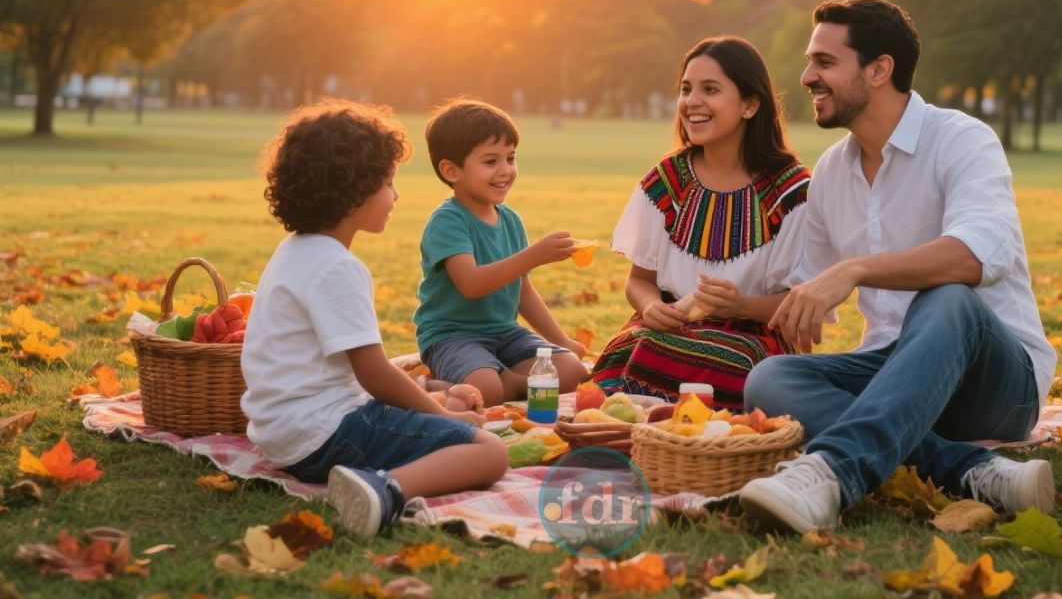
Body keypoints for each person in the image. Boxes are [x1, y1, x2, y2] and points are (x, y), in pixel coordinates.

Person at [739, 0, 1058, 532]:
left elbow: (973, 256)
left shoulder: (962, 140)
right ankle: (975, 471)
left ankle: (830, 476)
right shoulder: (831, 174)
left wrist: (856, 269)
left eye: (824, 62)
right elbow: (805, 293)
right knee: (771, 378)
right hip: (895, 373)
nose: (806, 76)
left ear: (879, 69)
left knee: (949, 295)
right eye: (809, 61)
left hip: (995, 384)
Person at [242, 100, 508, 538]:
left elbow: (340, 372)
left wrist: (434, 392)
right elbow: (375, 376)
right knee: (488, 451)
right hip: (325, 434)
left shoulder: (295, 251)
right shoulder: (337, 268)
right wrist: (446, 420)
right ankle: (384, 490)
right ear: (353, 192)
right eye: (388, 183)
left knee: (451, 400)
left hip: (286, 433)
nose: (395, 195)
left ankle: (416, 434)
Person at [591, 37, 812, 409]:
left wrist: (740, 305)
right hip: (667, 329)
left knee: (724, 364)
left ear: (750, 104)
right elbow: (639, 281)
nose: (692, 101)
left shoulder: (791, 191)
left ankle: (698, 441)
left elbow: (800, 304)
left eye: (710, 89)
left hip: (752, 337)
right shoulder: (666, 181)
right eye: (686, 89)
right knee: (631, 347)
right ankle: (641, 437)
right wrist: (649, 308)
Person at [414, 98, 589, 408]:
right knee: (486, 388)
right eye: (491, 161)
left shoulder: (510, 220)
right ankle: (430, 387)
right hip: (452, 336)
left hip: (505, 334)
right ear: (451, 170)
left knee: (571, 370)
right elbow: (471, 283)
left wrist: (561, 342)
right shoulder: (448, 221)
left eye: (510, 158)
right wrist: (534, 255)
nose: (505, 170)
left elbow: (522, 291)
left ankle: (510, 383)